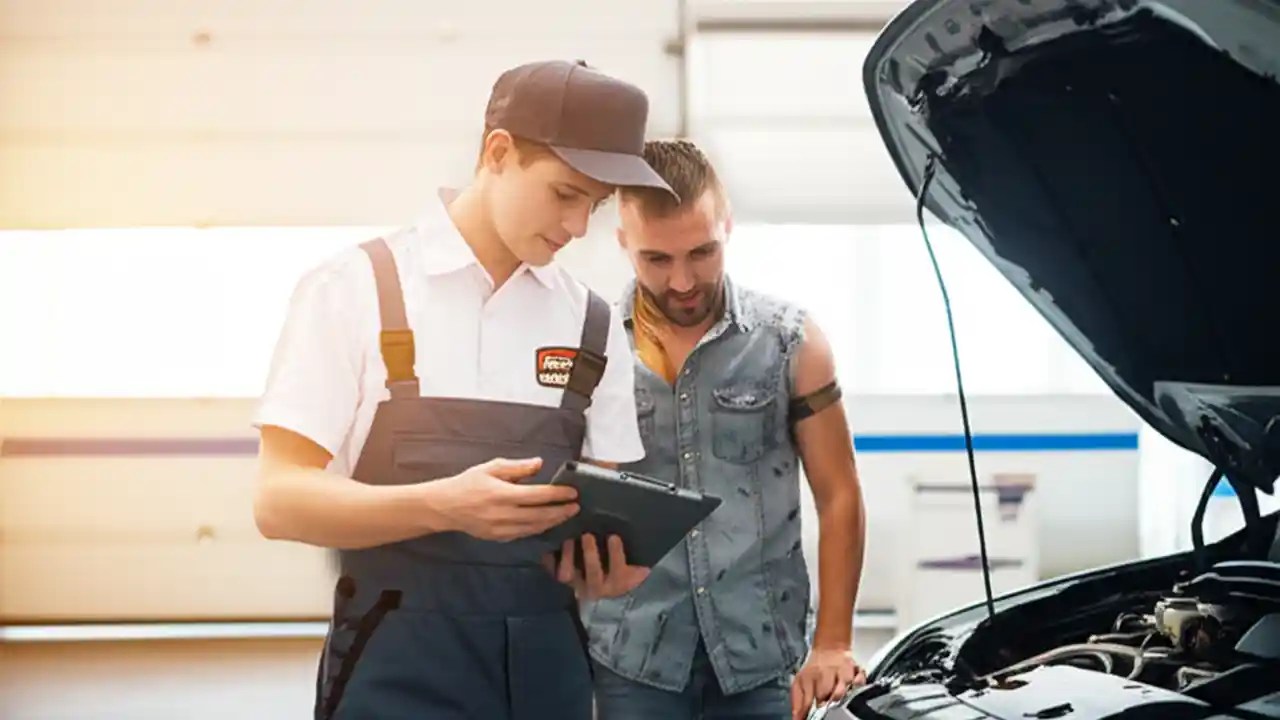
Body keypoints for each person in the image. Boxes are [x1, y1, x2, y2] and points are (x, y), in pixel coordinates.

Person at [250, 59, 674, 720]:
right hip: (394, 666)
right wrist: (443, 505)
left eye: (594, 204)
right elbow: (278, 501)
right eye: (564, 193)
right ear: (497, 152)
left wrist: (604, 571)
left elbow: (601, 512)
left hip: (548, 675)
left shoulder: (593, 324)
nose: (577, 227)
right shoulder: (355, 290)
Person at [581, 139, 869, 720]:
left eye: (702, 252)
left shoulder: (793, 343)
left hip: (761, 659)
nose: (684, 281)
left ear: (728, 226)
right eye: (656, 260)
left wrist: (832, 643)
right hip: (632, 660)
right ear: (622, 243)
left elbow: (839, 494)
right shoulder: (592, 350)